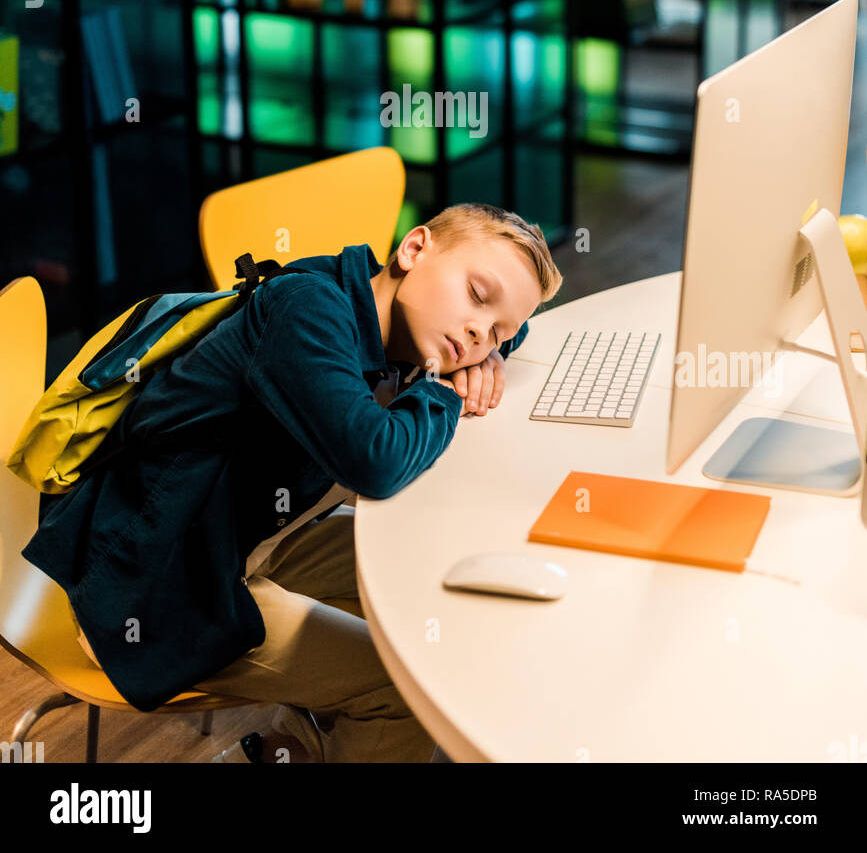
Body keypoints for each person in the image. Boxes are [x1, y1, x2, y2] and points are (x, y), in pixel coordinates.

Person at [21, 201, 562, 762]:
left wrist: (492, 349)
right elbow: (372, 462)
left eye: (498, 331)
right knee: (402, 691)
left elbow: (496, 327)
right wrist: (442, 392)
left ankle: (287, 750)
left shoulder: (404, 316)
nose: (479, 333)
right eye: (477, 295)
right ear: (414, 248)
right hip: (158, 578)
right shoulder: (308, 310)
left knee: (440, 578)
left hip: (252, 535)